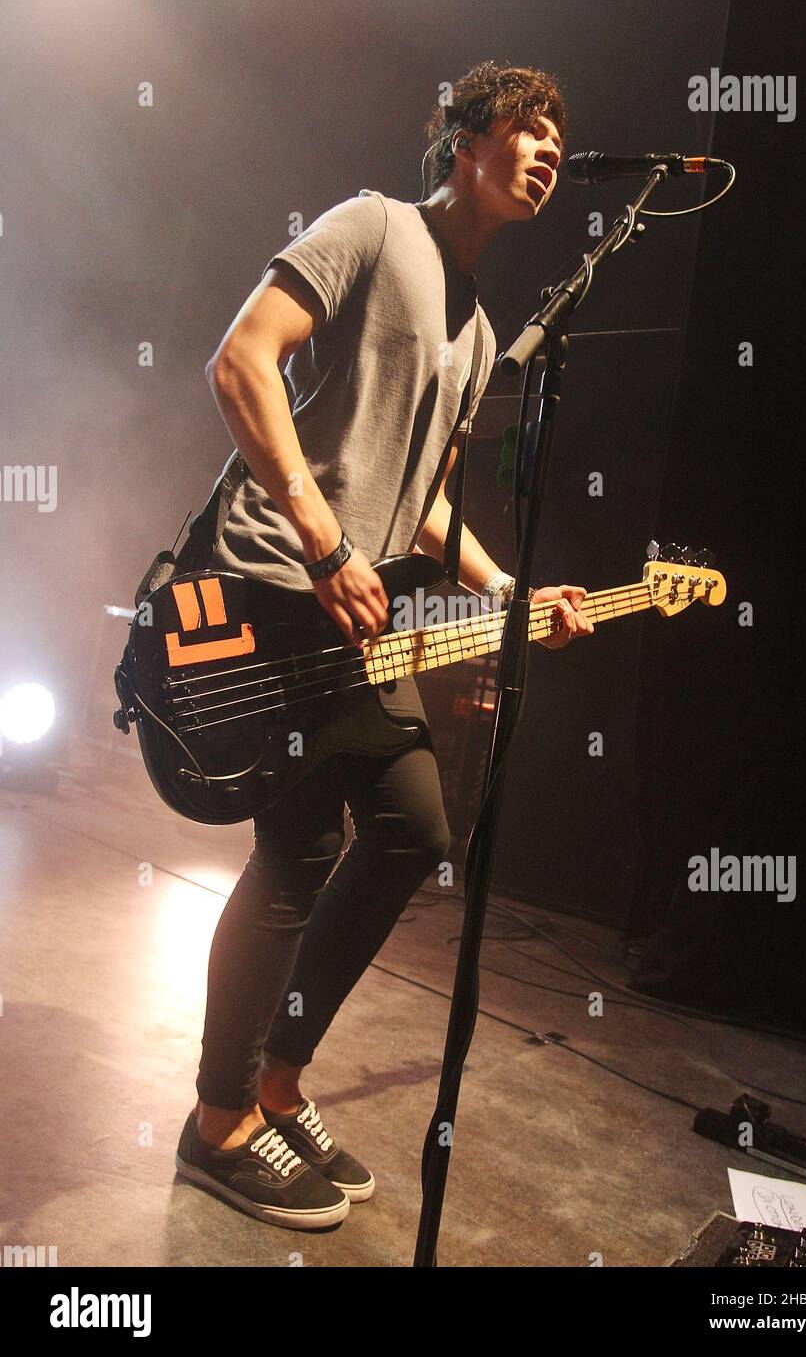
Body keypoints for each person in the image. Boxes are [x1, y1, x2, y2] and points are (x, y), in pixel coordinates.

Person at [174, 60, 594, 1230]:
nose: (550, 151)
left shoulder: (483, 332)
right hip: (275, 583)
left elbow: (425, 504)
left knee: (414, 831)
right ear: (465, 137)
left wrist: (508, 588)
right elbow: (240, 362)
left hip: (360, 617)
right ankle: (216, 1122)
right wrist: (322, 541)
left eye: (560, 141)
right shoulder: (371, 225)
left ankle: (276, 1079)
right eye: (530, 128)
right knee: (299, 851)